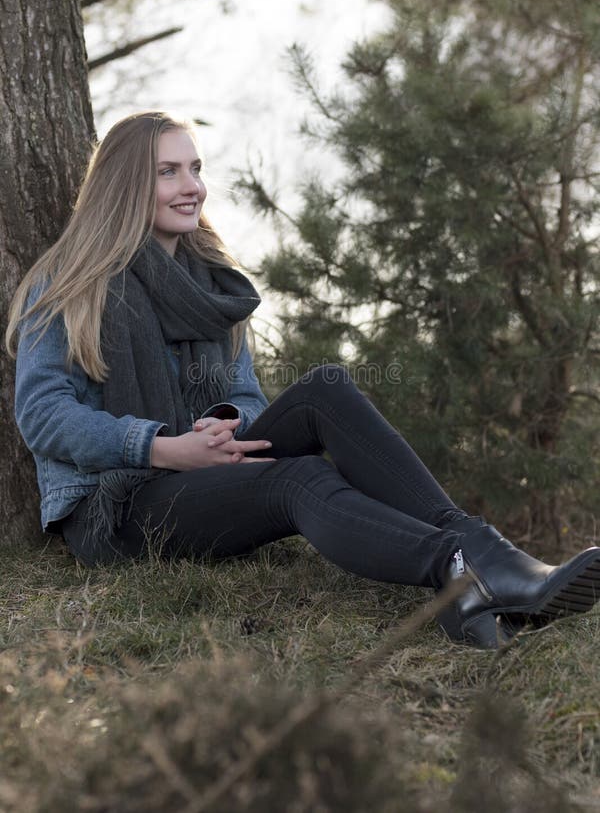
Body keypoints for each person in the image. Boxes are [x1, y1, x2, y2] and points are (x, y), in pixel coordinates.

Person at [6, 111, 600, 650]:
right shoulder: (68, 283)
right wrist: (163, 447)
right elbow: (44, 414)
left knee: (325, 387)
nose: (193, 187)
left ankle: (476, 548)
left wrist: (228, 428)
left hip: (203, 470)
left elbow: (243, 393)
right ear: (125, 185)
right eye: (168, 172)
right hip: (120, 507)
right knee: (299, 479)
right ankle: (459, 571)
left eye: (195, 168)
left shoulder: (210, 286)